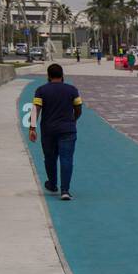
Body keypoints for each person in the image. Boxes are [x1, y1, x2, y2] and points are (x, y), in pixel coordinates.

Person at [29, 64, 83, 201]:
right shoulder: (72, 90)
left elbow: (36, 109)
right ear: (62, 75)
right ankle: (65, 190)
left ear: (48, 76)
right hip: (68, 130)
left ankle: (52, 184)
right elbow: (78, 108)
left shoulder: (41, 90)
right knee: (67, 158)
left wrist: (32, 128)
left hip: (49, 131)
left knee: (50, 158)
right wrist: (73, 119)